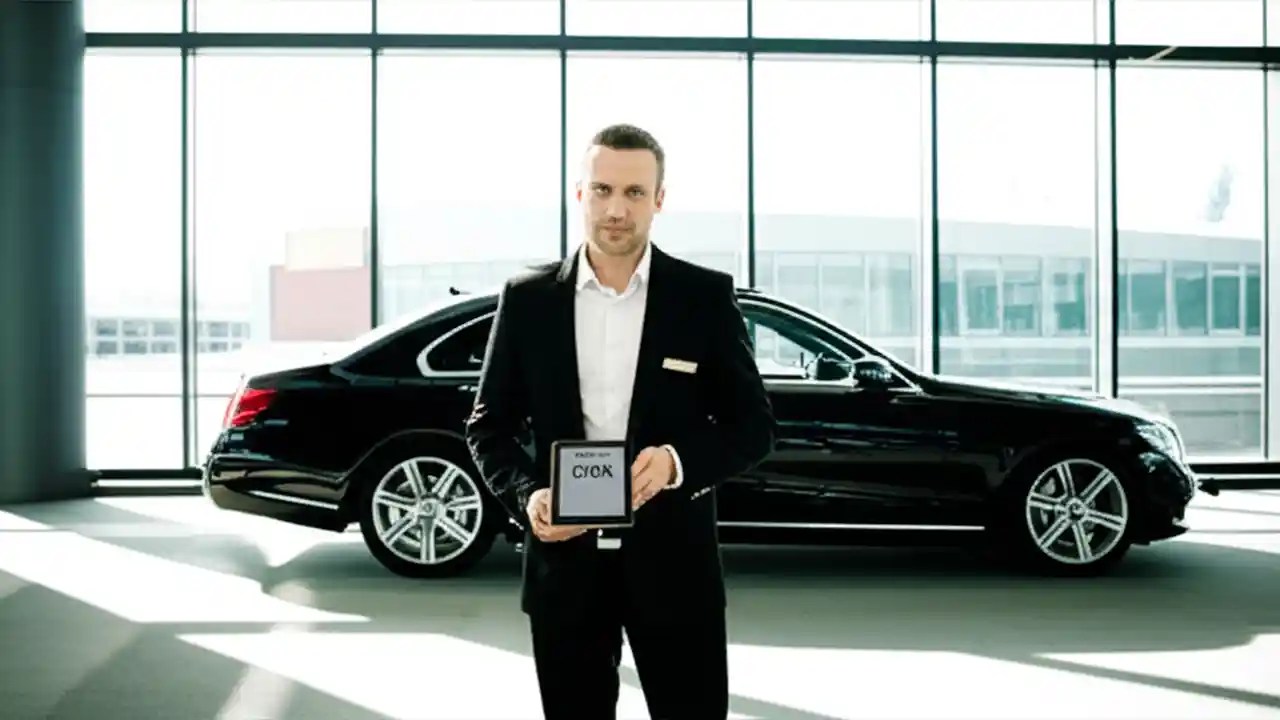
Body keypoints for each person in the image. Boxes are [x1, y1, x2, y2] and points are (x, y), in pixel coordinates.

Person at [464, 123, 776, 720]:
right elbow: (488, 426)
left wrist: (676, 463)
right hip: (565, 568)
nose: (616, 209)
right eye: (603, 190)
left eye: (634, 193)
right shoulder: (528, 299)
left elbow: (753, 427)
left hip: (675, 568)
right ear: (580, 194)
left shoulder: (702, 297)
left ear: (659, 200)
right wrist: (528, 497)